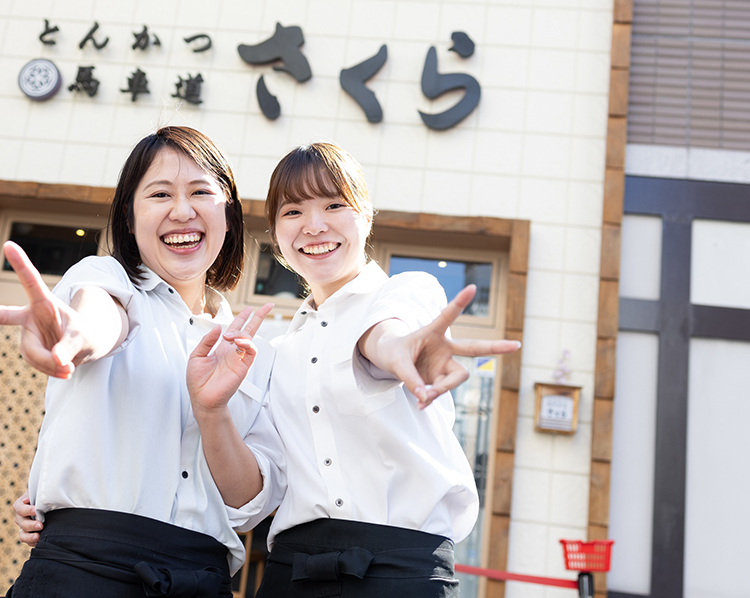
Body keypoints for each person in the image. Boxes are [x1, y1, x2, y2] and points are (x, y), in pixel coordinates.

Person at [186, 143, 522, 597]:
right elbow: (250, 501)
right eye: (293, 211)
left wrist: (397, 348)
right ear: (276, 232)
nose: (314, 225)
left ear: (365, 214)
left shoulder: (408, 291)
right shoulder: (273, 354)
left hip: (402, 574)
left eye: (333, 205)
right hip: (292, 574)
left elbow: (383, 334)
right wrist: (213, 413)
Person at [0, 126, 275, 598]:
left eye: (201, 192)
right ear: (129, 216)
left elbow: (247, 505)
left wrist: (213, 413)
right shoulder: (105, 278)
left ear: (228, 212)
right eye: (159, 193)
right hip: (82, 572)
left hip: (201, 579)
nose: (182, 211)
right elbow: (101, 318)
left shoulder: (254, 350)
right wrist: (73, 336)